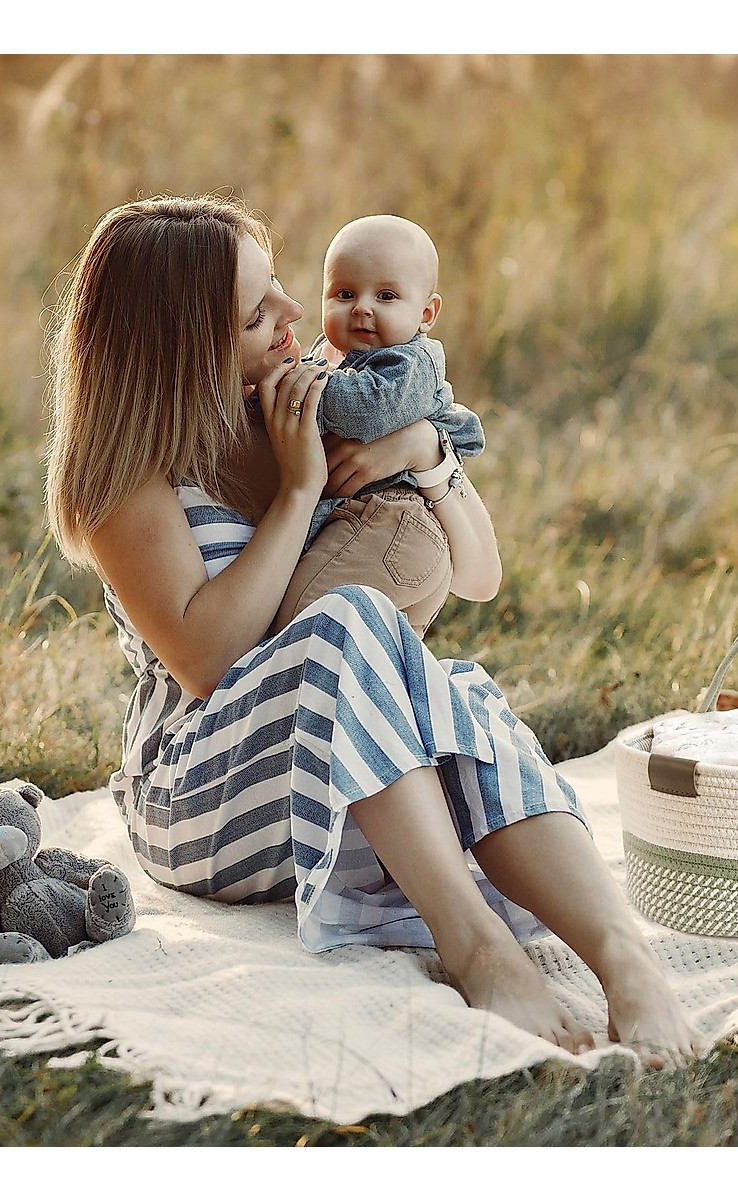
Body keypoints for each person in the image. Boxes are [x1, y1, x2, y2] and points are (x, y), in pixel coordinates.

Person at [43, 194, 702, 1067]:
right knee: (350, 619)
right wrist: (297, 491)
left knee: (455, 681)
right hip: (205, 787)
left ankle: (625, 960)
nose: (290, 316)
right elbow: (209, 661)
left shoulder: (305, 398)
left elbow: (479, 577)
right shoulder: (126, 479)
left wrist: (427, 452)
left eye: (279, 288)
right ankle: (477, 948)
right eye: (254, 313)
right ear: (184, 348)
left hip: (357, 764)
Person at [272, 214, 483, 638]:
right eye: (344, 293)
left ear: (426, 313)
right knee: (371, 671)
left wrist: (292, 387)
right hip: (374, 531)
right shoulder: (328, 355)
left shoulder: (411, 362)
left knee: (293, 632)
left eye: (386, 296)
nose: (362, 308)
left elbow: (365, 412)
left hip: (388, 524)